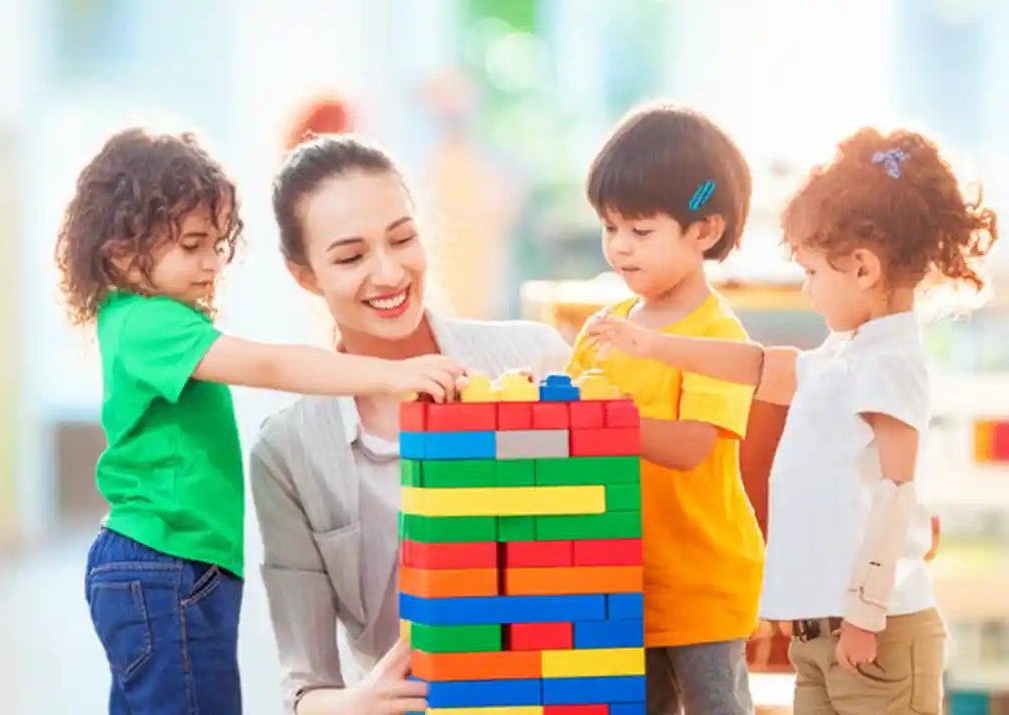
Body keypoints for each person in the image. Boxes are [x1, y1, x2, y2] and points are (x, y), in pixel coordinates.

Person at [584, 126, 997, 715]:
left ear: (861, 269)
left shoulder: (888, 364)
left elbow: (895, 495)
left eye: (810, 272)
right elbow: (758, 366)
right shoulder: (843, 352)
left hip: (874, 633)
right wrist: (650, 345)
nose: (806, 291)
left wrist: (865, 613)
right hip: (823, 633)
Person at [54, 128, 465, 715]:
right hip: (164, 563)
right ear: (122, 252)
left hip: (168, 565)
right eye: (192, 245)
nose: (212, 263)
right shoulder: (151, 325)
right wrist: (390, 376)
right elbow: (267, 364)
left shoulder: (144, 322)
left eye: (218, 243)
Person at [249, 134, 572, 714]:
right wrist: (352, 703)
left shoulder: (538, 362)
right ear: (304, 276)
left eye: (402, 238)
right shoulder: (289, 449)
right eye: (350, 257)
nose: (389, 272)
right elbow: (304, 688)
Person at [563, 104, 765, 715]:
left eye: (641, 231)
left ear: (704, 231)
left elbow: (690, 446)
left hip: (702, 586)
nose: (619, 248)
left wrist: (602, 422)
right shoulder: (601, 330)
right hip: (622, 583)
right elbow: (566, 421)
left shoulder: (719, 339)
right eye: (609, 227)